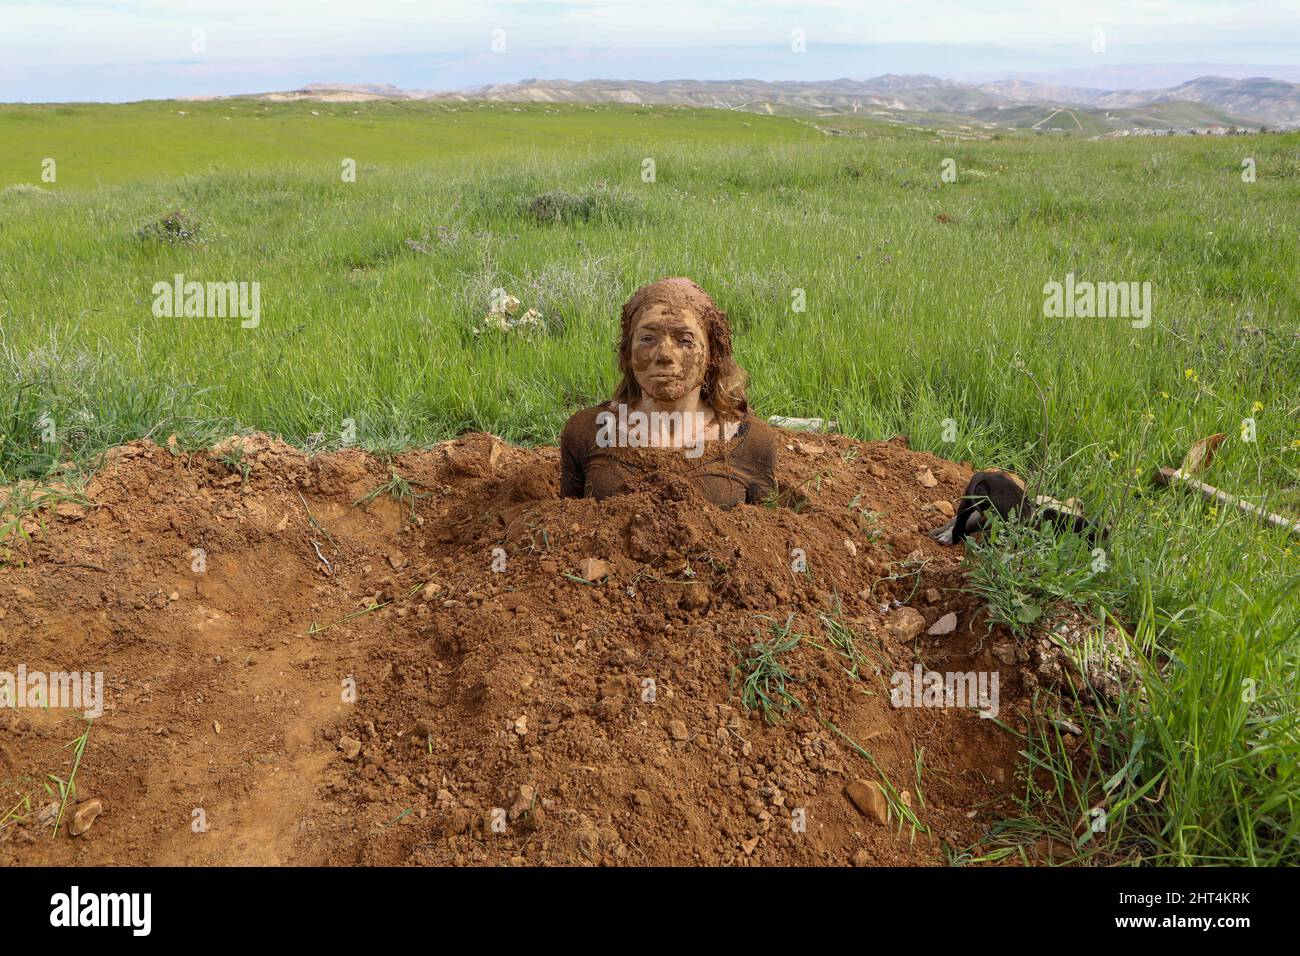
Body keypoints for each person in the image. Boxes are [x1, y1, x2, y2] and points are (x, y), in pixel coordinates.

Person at [559, 277, 777, 508]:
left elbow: (764, 532)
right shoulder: (586, 431)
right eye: (648, 339)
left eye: (684, 340)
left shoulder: (753, 441)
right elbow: (565, 521)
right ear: (628, 353)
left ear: (713, 354)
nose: (664, 355)